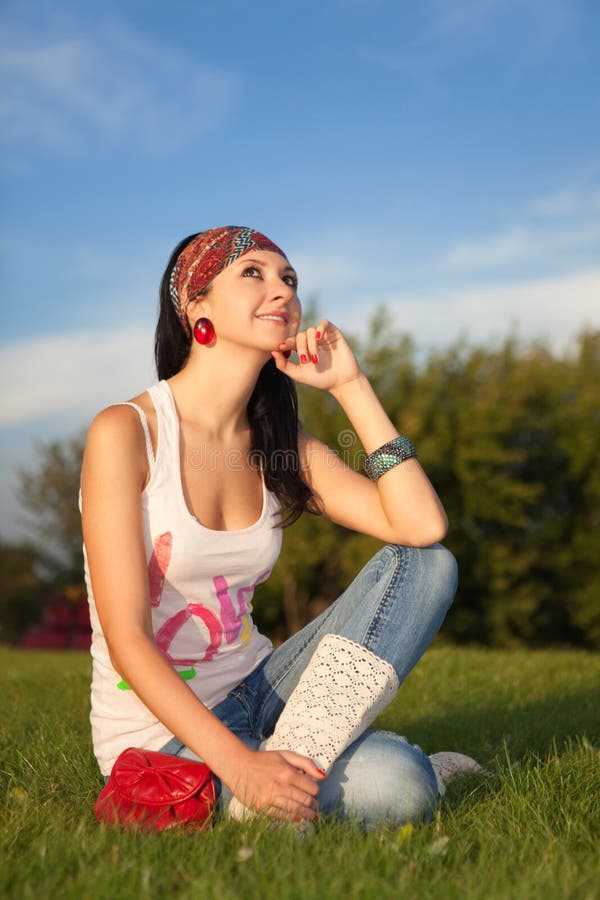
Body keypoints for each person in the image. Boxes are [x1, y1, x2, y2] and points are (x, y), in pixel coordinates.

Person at [80, 225, 479, 829]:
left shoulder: (277, 444)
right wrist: (238, 765)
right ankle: (271, 786)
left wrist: (351, 385)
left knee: (430, 566)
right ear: (197, 307)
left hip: (263, 692)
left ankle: (280, 786)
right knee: (401, 786)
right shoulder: (125, 432)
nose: (282, 291)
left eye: (289, 279)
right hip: (164, 741)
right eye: (254, 274)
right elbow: (128, 639)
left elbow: (421, 527)